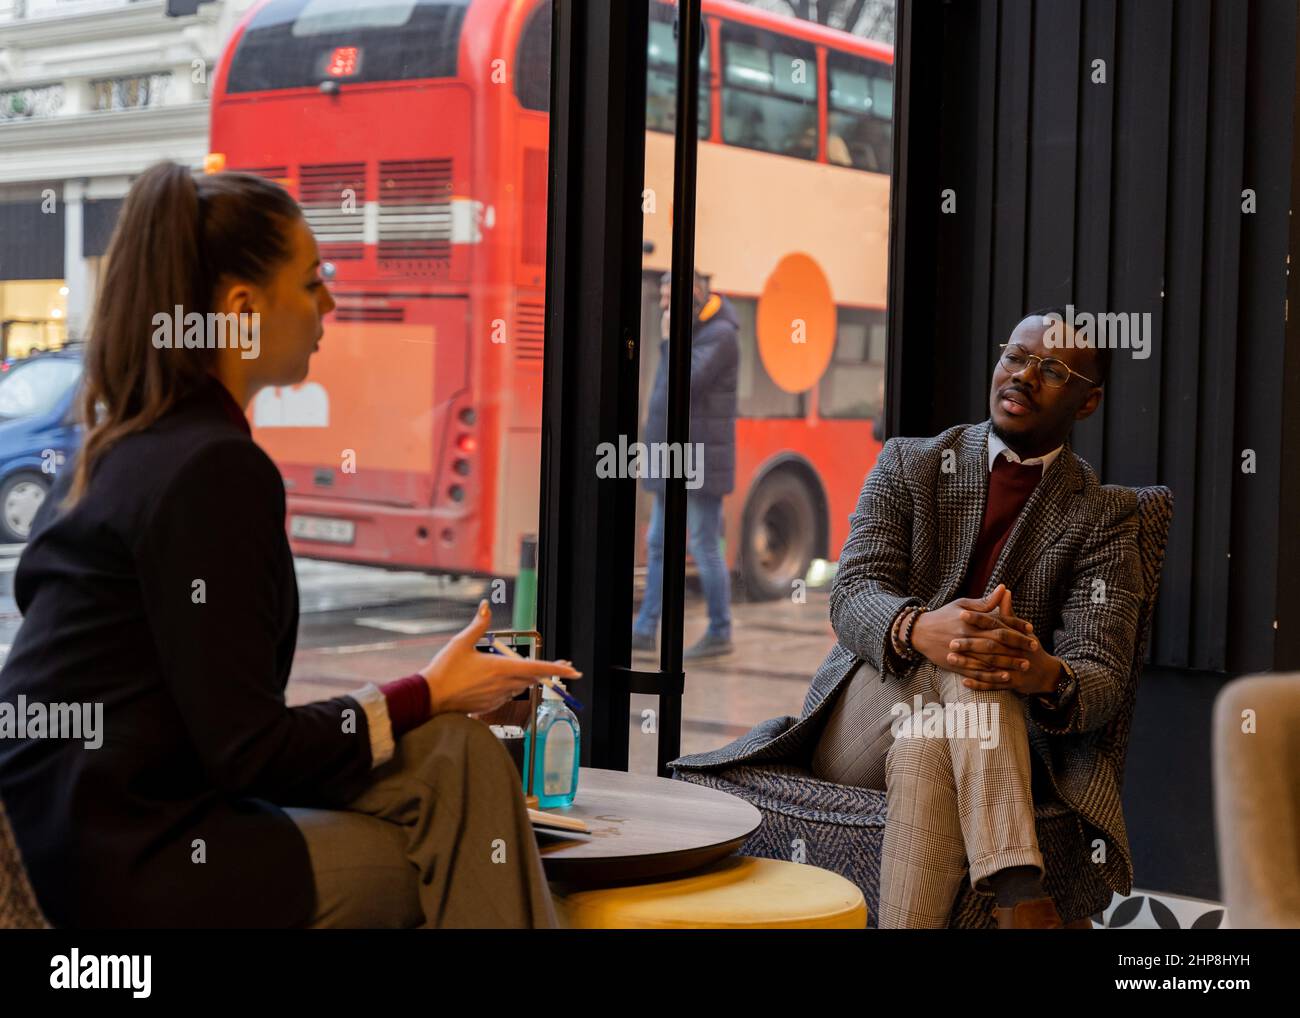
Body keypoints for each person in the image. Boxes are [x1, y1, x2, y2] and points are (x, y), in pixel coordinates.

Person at [0, 162, 579, 929]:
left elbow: (221, 733)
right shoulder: (213, 468)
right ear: (242, 308)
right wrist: (427, 690)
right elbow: (249, 753)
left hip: (71, 834)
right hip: (130, 865)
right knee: (453, 849)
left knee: (455, 760)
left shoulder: (120, 452)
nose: (329, 304)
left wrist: (426, 704)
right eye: (312, 284)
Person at [674, 308, 1144, 928]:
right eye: (1015, 356)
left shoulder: (1105, 516)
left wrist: (1038, 670)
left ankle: (996, 889)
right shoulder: (912, 463)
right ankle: (1018, 886)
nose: (1024, 376)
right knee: (972, 660)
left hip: (987, 739)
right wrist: (922, 628)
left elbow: (1103, 673)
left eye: (1052, 370)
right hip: (862, 724)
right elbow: (852, 593)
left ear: (1088, 402)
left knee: (938, 732)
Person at [633, 269, 739, 660]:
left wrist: (668, 337)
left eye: (668, 298)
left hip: (701, 461)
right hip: (672, 457)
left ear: (693, 294)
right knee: (658, 544)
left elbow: (685, 381)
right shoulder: (695, 330)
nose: (663, 305)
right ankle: (645, 628)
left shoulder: (721, 334)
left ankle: (720, 629)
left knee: (702, 544)